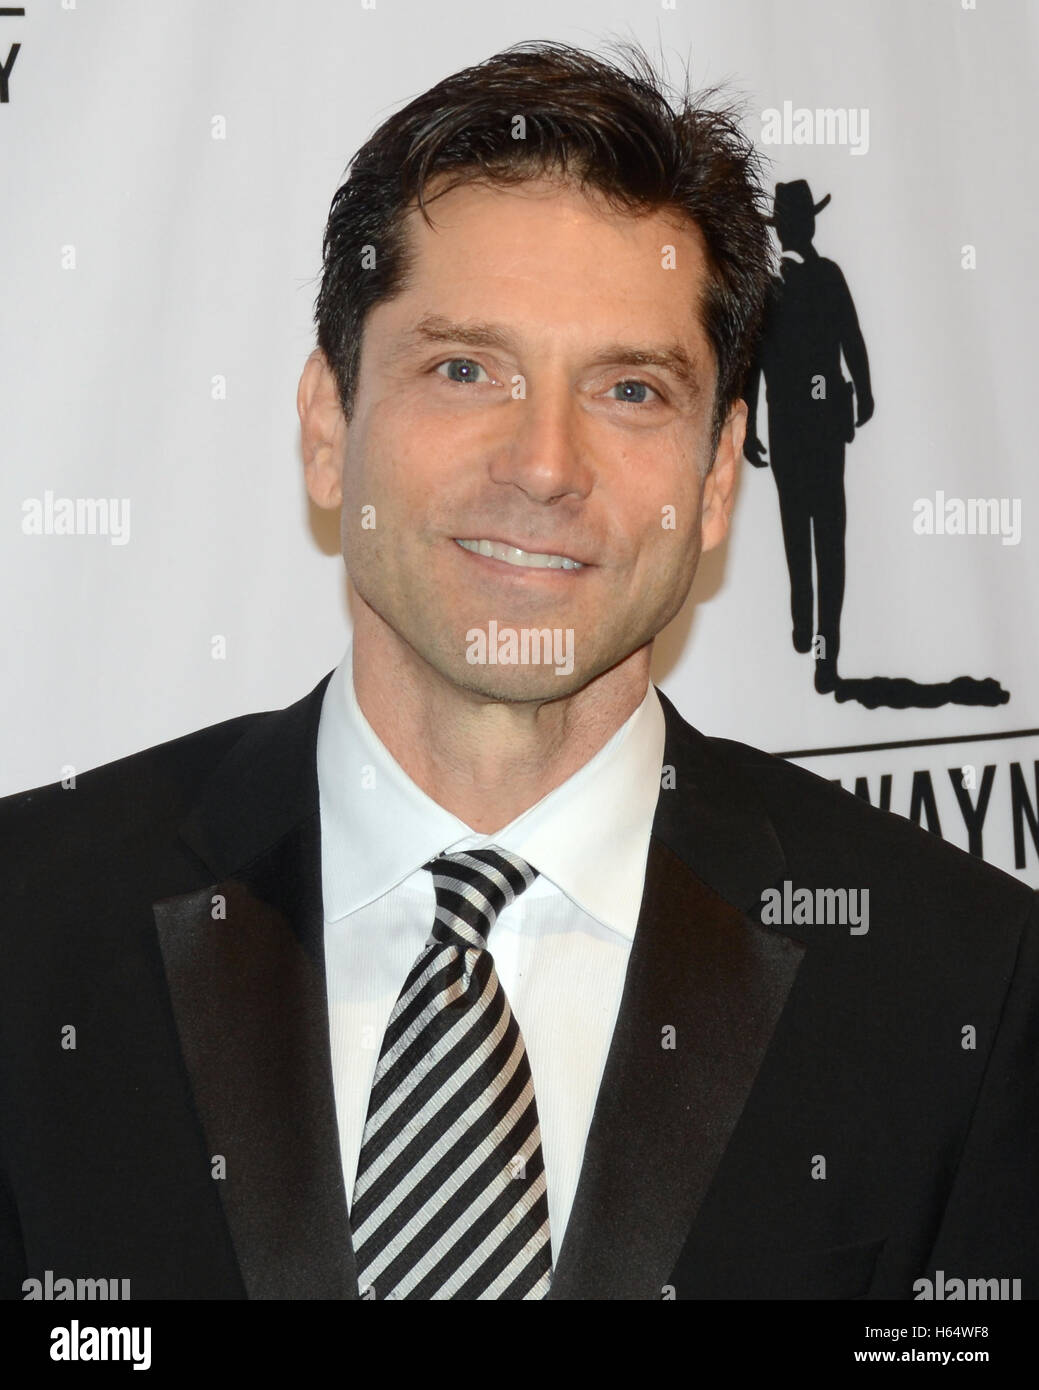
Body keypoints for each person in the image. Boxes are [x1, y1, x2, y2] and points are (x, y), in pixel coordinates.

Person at [1, 39, 1036, 1303]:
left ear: (717, 483)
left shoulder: (961, 980)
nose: (544, 462)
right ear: (329, 431)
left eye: (631, 389)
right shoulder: (32, 924)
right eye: (464, 369)